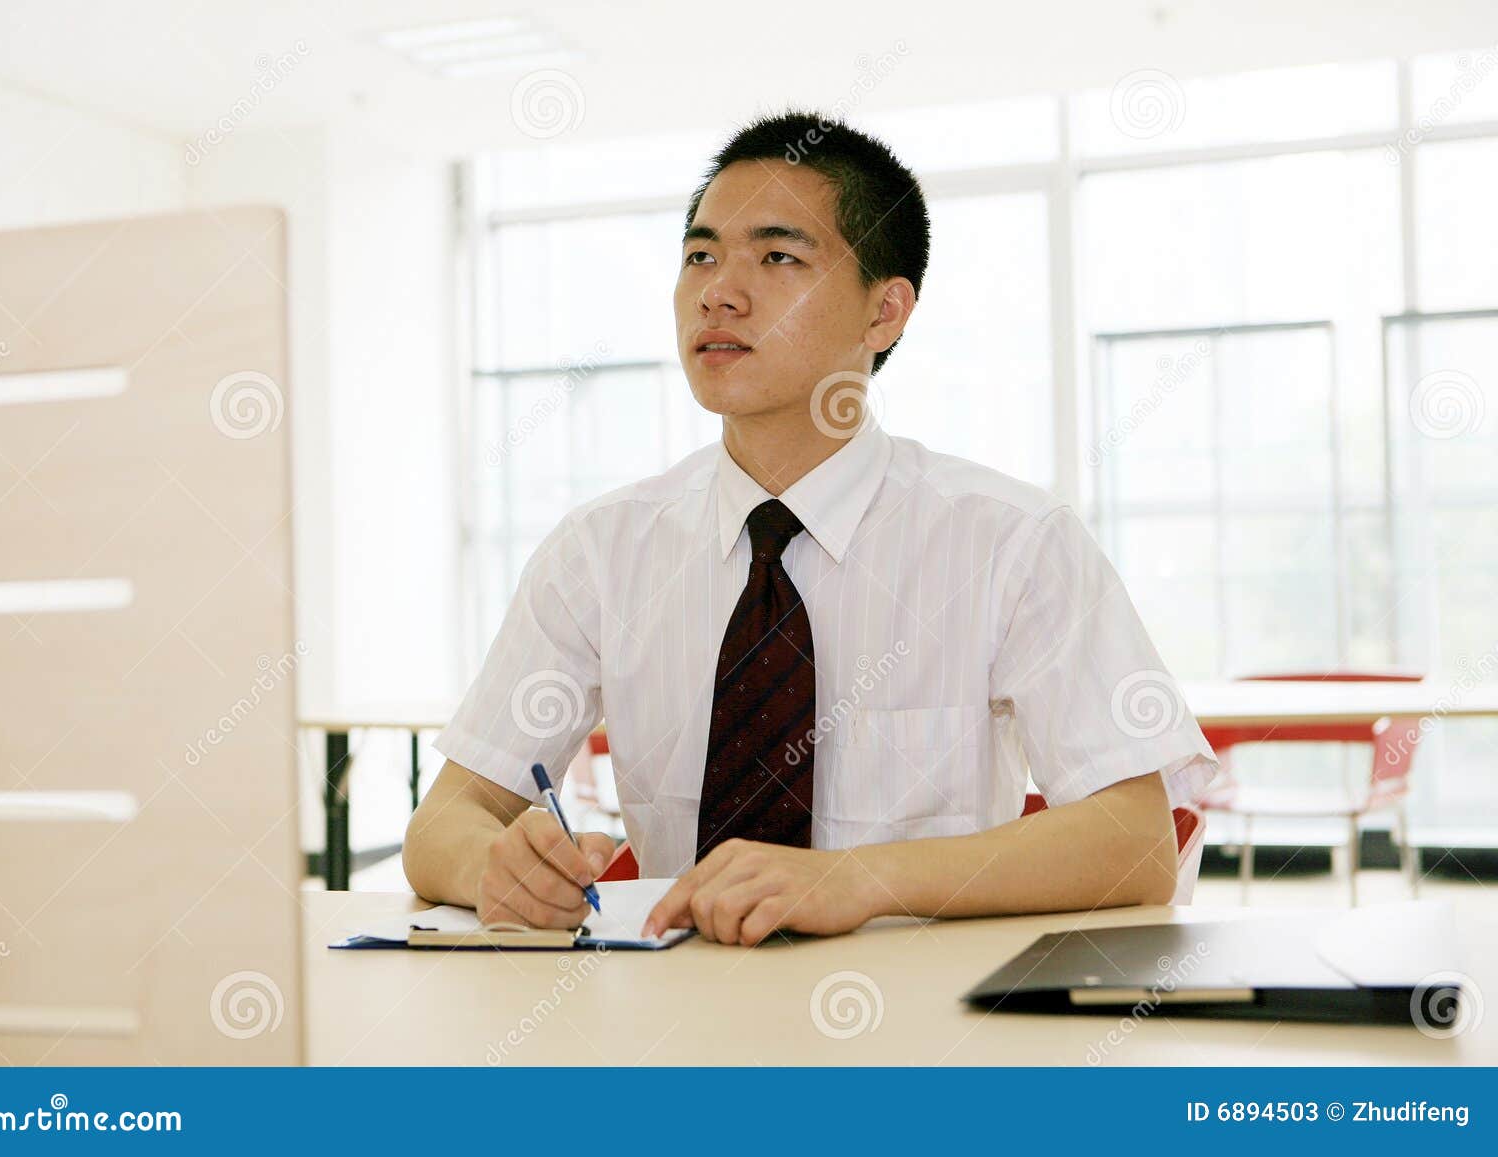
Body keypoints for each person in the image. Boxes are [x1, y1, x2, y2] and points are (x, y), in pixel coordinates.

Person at [403, 109, 1217, 947]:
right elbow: (446, 820)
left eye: (779, 255)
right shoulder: (603, 550)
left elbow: (1134, 840)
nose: (719, 289)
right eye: (700, 256)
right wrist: (492, 864)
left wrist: (856, 878)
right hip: (677, 1022)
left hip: (922, 1032)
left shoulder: (1010, 540)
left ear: (884, 314)